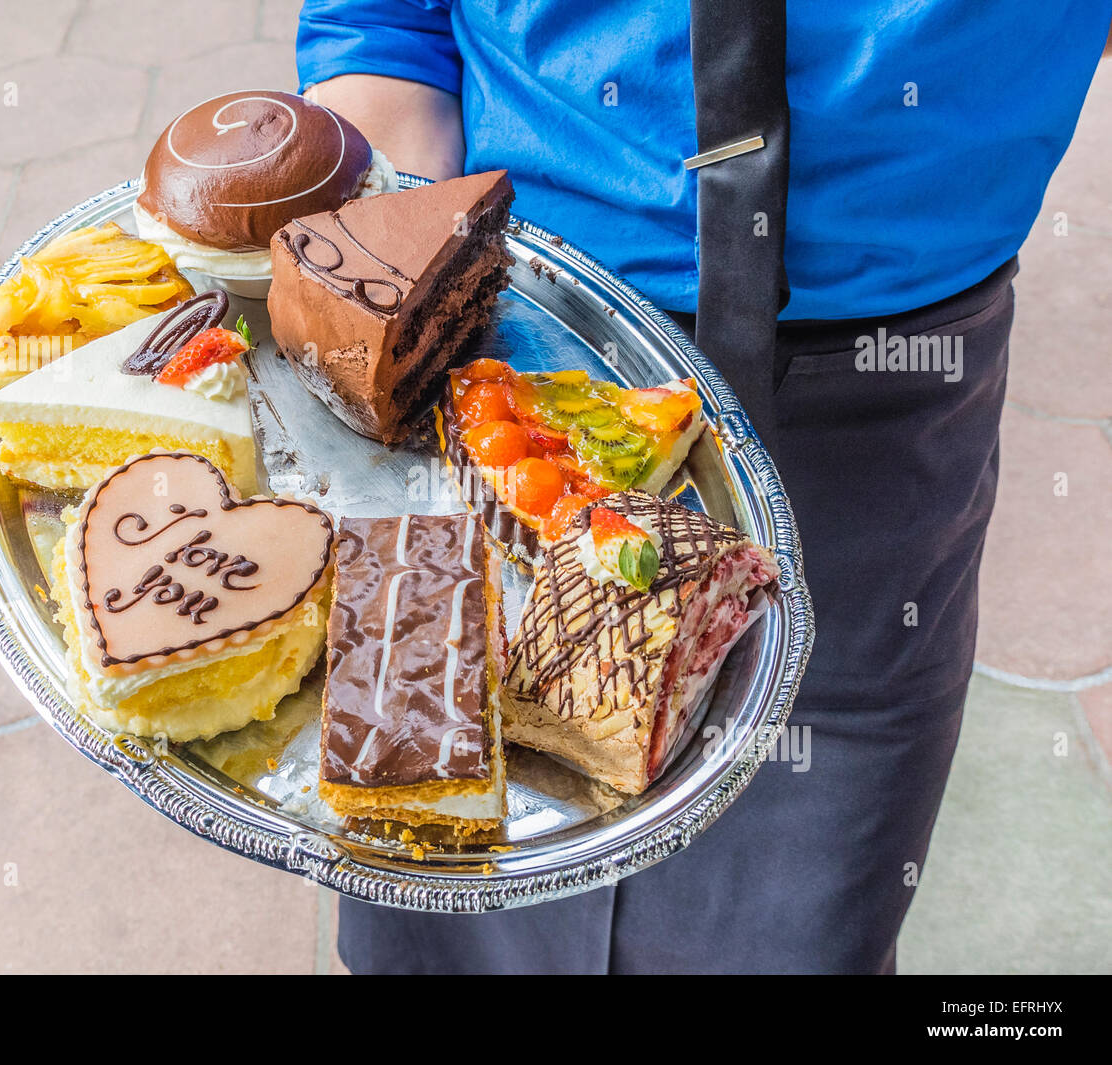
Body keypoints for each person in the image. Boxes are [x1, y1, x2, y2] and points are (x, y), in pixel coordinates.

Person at [294, 1, 1112, 973]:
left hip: (881, 380)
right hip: (496, 315)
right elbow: (385, 22)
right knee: (439, 851)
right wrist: (401, 271)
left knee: (790, 899)